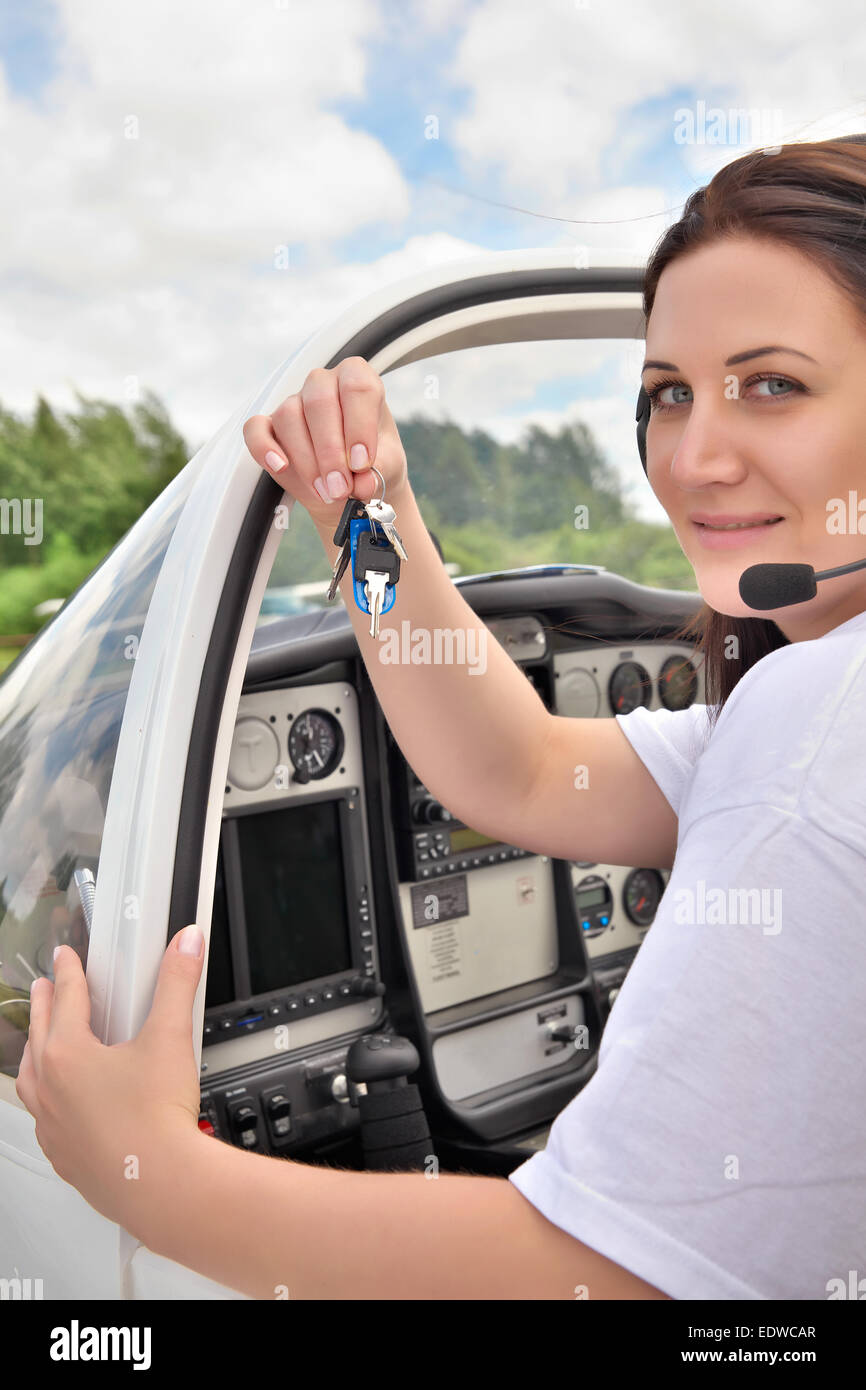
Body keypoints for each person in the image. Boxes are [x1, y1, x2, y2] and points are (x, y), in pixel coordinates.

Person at [16, 135, 866, 1301]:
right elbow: (517, 770)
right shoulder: (807, 699)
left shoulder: (826, 718)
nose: (693, 456)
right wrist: (364, 517)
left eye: (770, 383)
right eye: (667, 393)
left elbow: (608, 1284)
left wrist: (148, 1175)